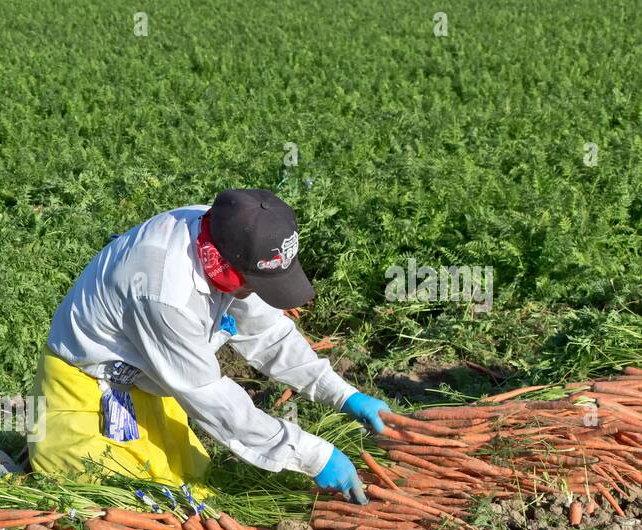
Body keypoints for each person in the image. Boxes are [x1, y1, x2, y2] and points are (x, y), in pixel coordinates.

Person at [27, 189, 393, 503]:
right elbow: (214, 399)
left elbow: (267, 333)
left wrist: (342, 394)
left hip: (152, 384)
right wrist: (315, 456)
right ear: (226, 270)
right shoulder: (164, 290)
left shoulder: (228, 232)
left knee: (197, 489)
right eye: (253, 284)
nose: (256, 295)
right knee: (116, 504)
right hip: (85, 388)